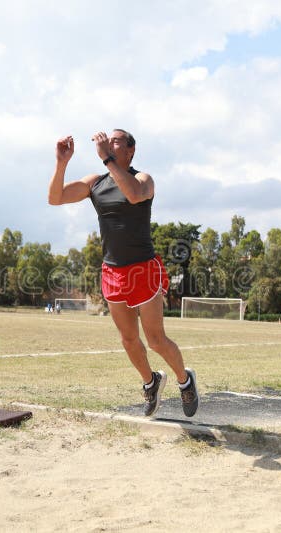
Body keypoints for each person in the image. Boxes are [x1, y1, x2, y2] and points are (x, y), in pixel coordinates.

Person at [47, 129, 198, 418]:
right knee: (128, 339)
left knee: (155, 340)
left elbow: (133, 195)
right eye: (108, 141)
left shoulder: (143, 180)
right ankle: (151, 382)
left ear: (130, 150)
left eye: (116, 140)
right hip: (113, 270)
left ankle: (185, 381)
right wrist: (61, 162)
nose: (108, 143)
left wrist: (107, 158)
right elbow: (55, 198)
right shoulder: (96, 182)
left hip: (143, 268)